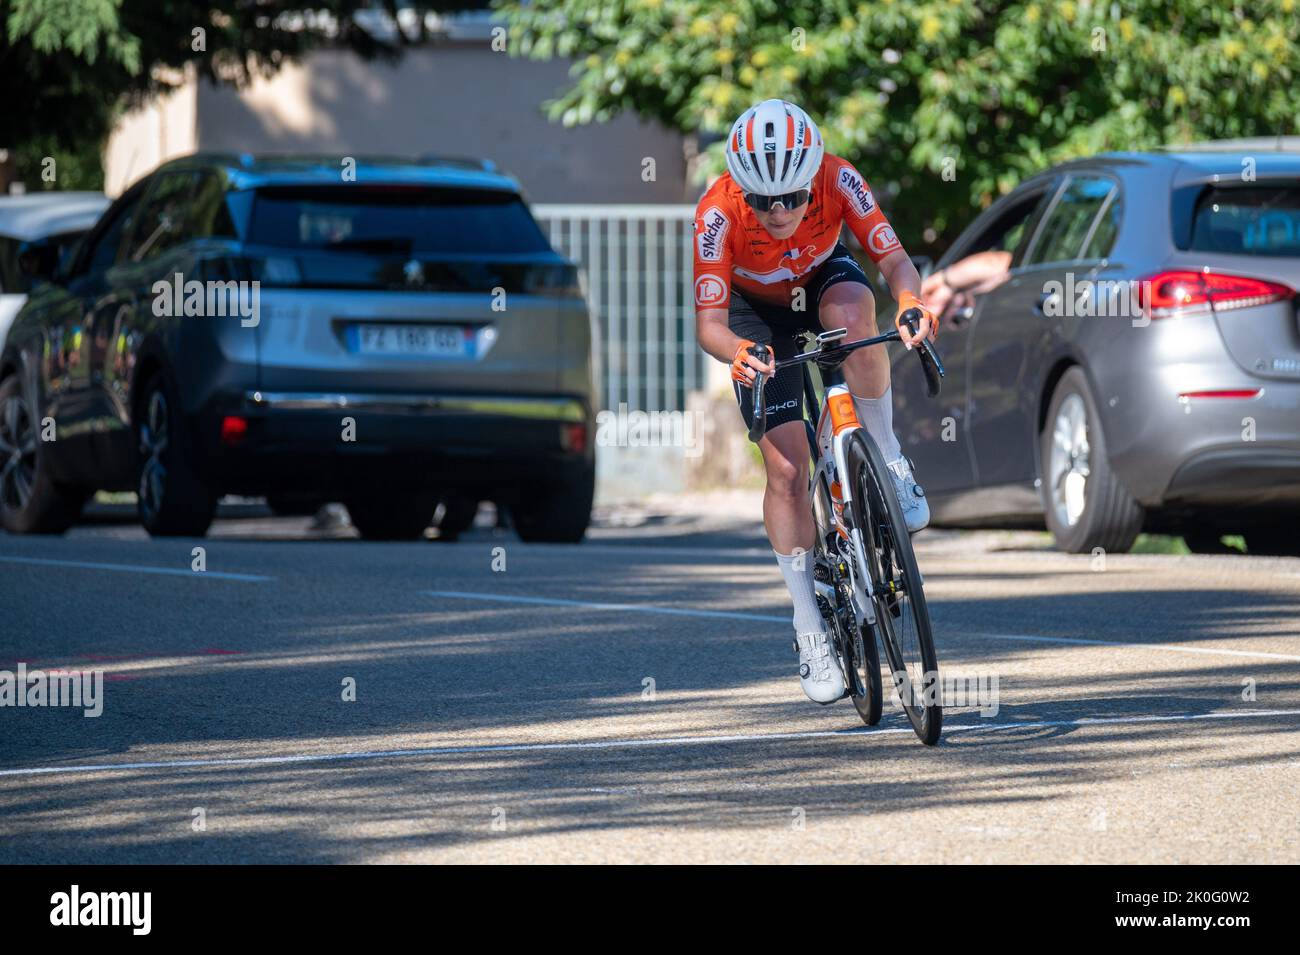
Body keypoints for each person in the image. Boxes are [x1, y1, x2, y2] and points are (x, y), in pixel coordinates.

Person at [692, 99, 937, 705]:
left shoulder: (840, 176)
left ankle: (886, 454)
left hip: (823, 277)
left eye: (793, 199)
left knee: (858, 315)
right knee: (787, 467)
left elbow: (896, 261)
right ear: (740, 192)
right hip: (754, 314)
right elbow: (710, 325)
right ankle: (808, 623)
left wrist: (910, 302)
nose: (778, 213)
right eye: (762, 201)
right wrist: (739, 353)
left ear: (813, 180)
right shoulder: (715, 216)